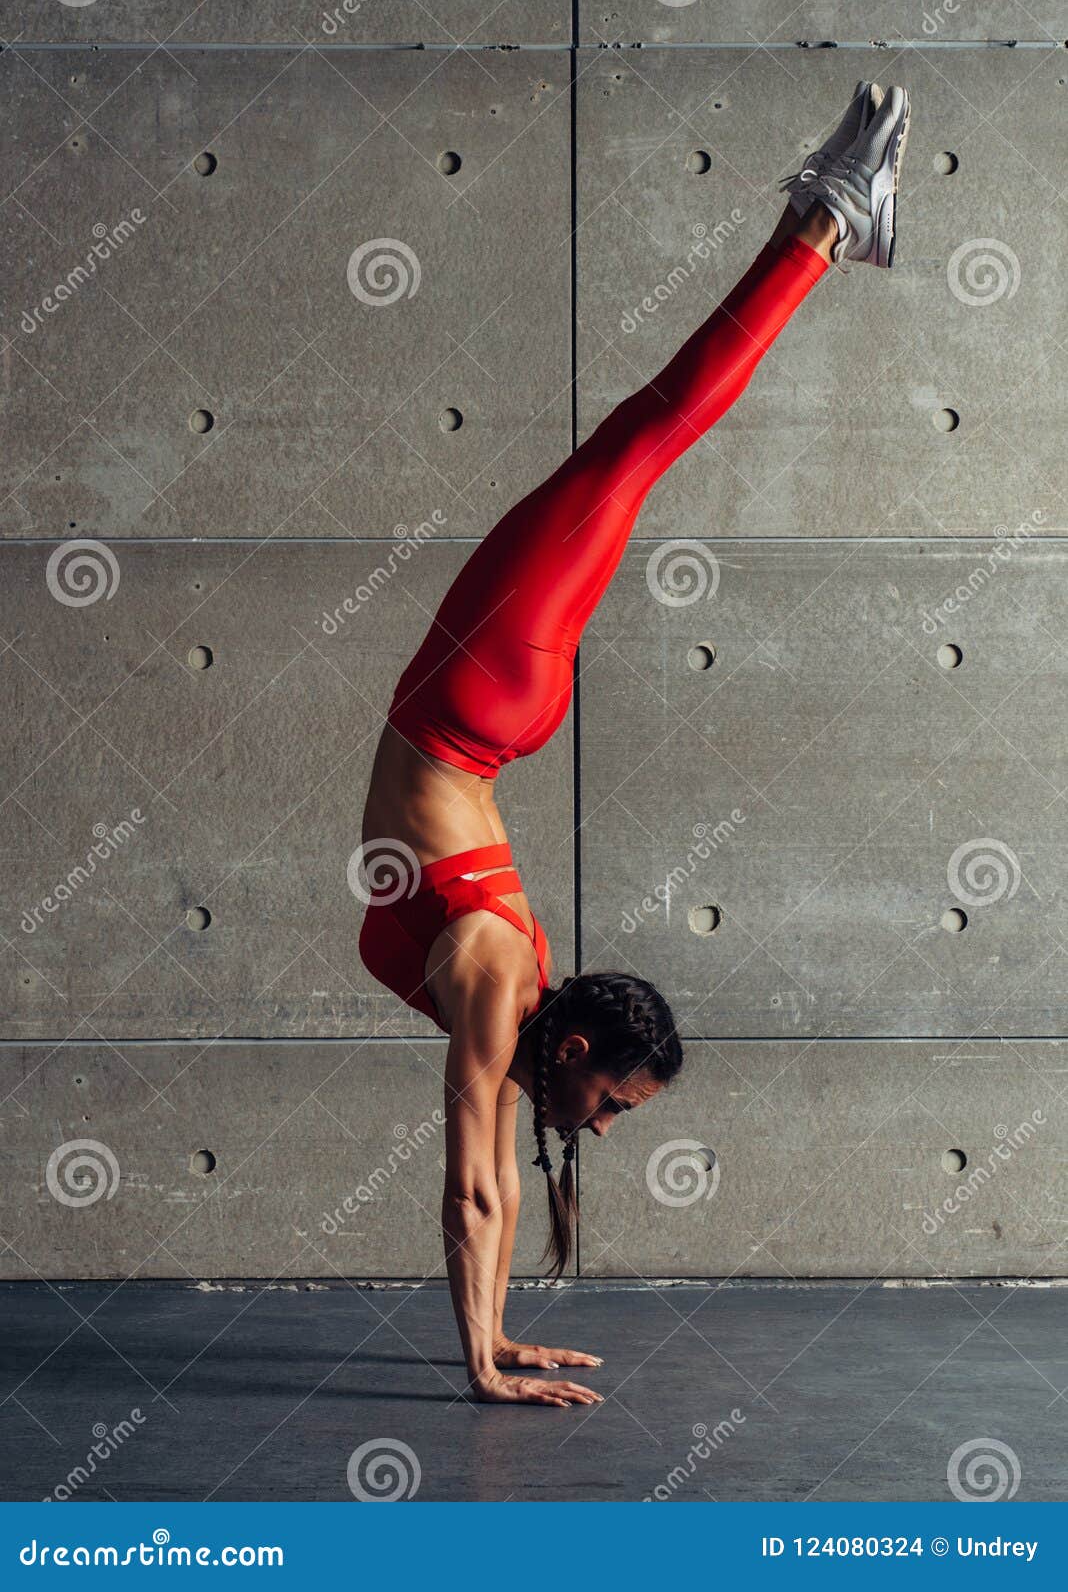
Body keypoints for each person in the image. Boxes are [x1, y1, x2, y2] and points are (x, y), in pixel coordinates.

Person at [359, 83, 911, 1405]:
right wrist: (484, 1356)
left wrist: (490, 1356)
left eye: (605, 1114)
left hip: (482, 695)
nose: (599, 1125)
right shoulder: (503, 978)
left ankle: (826, 219)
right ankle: (825, 220)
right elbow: (481, 1180)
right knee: (645, 439)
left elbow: (474, 1177)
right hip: (482, 697)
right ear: (573, 1050)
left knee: (648, 437)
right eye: (613, 1106)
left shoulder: (505, 983)